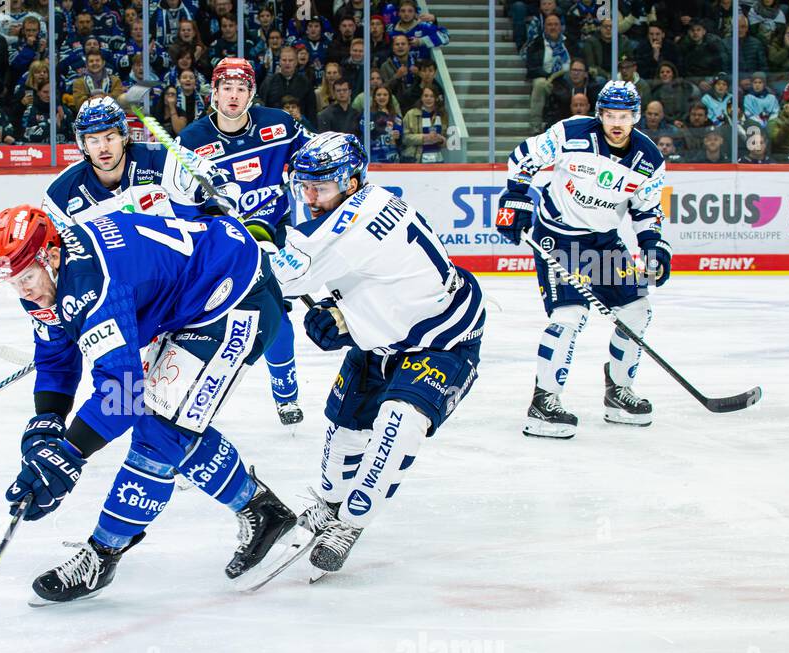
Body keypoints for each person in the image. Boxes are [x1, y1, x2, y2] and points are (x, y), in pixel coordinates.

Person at [0, 205, 301, 604]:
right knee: (171, 418)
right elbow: (56, 355)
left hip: (236, 296)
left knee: (159, 431)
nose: (23, 291)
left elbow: (122, 394)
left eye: (26, 278)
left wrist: (69, 453)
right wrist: (47, 421)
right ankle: (263, 510)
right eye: (11, 282)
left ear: (50, 255)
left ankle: (102, 554)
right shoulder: (47, 278)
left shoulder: (91, 288)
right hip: (194, 293)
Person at [270, 132, 484, 576]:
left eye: (320, 188)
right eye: (305, 186)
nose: (310, 197)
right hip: (386, 333)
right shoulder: (369, 199)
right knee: (342, 433)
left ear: (350, 182)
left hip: (442, 339)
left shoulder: (352, 227)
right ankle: (331, 504)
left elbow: (283, 278)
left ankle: (350, 522)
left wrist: (231, 233)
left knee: (398, 423)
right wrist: (341, 314)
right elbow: (375, 280)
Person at [497, 81, 669, 439]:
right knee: (569, 316)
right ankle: (544, 401)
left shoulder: (649, 158)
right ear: (599, 114)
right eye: (609, 115)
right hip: (557, 237)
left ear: (635, 117)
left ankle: (618, 393)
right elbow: (523, 158)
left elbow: (647, 210)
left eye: (624, 116)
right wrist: (515, 197)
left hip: (603, 244)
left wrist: (654, 246)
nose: (617, 123)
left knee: (637, 309)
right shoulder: (572, 132)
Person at [178, 57, 311, 427]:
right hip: (220, 244)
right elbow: (178, 200)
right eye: (226, 88)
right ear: (214, 94)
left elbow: (312, 160)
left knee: (276, 314)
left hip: (273, 232)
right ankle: (186, 401)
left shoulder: (279, 125)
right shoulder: (191, 141)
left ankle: (286, 394)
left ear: (251, 93)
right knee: (206, 322)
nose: (233, 96)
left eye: (241, 88)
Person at [42, 95, 237, 226]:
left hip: (180, 271)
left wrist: (218, 216)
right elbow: (49, 249)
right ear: (83, 144)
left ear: (124, 137)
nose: (103, 148)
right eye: (93, 141)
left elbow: (218, 179)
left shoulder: (161, 158)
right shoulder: (61, 192)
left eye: (110, 138)